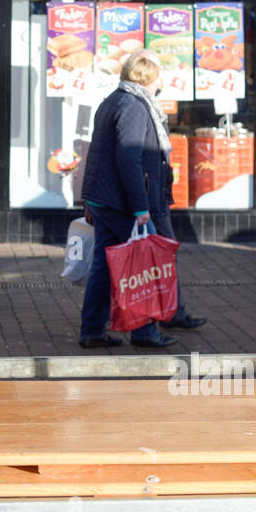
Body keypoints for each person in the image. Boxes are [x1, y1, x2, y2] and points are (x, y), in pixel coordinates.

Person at [78, 51, 206, 349]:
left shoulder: (112, 101)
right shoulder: (134, 106)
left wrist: (89, 197)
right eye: (157, 78)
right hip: (122, 202)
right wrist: (140, 207)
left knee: (102, 265)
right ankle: (144, 332)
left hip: (104, 198)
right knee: (142, 267)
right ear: (146, 78)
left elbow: (97, 153)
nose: (160, 84)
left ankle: (92, 330)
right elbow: (128, 157)